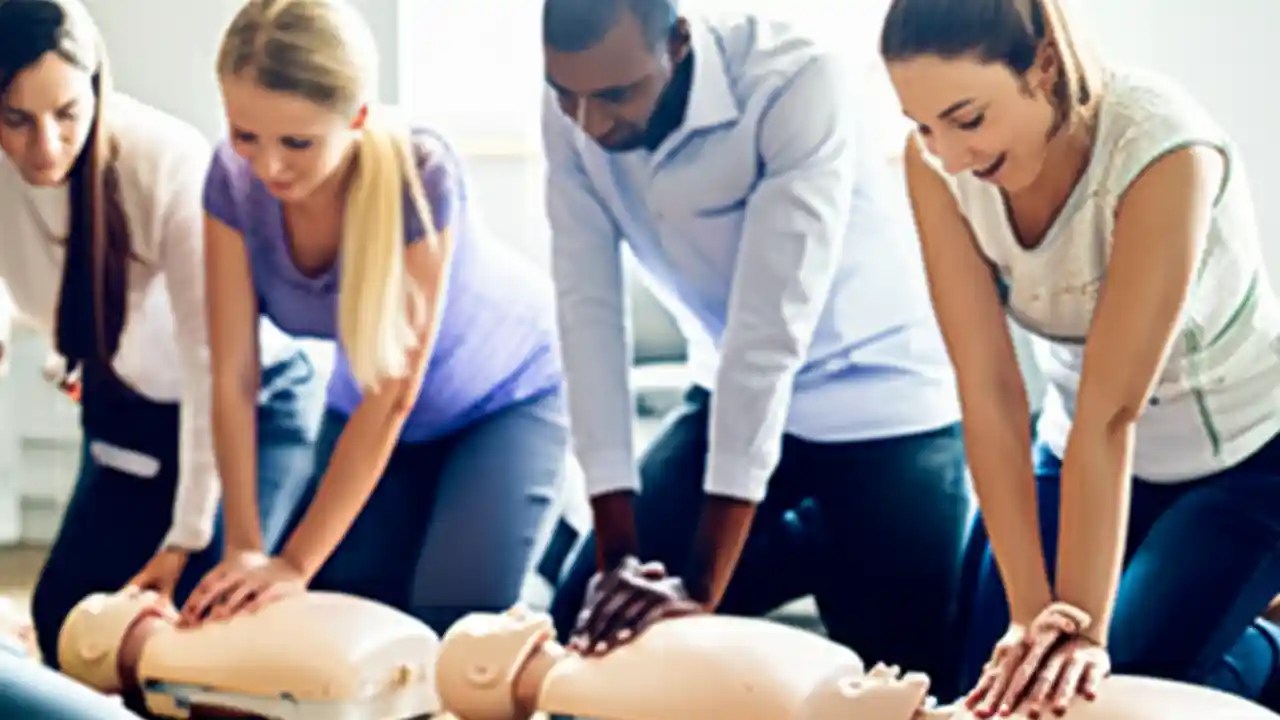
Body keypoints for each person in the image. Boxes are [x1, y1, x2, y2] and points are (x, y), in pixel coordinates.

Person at [540, 0, 972, 697]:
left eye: (617, 96)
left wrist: (703, 590)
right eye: (568, 96)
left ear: (676, 45)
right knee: (584, 625)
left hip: (886, 405)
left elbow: (766, 336)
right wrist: (618, 557)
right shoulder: (578, 101)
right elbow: (587, 316)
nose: (591, 123)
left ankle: (820, 546)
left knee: (900, 684)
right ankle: (810, 543)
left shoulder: (796, 82)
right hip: (726, 394)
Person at [879, 0, 1280, 715]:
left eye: (967, 120)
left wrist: (1084, 634)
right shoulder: (937, 165)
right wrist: (1033, 618)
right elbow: (990, 388)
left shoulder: (1163, 149)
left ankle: (1258, 647)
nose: (948, 154)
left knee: (1104, 694)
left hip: (1245, 457)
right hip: (1072, 446)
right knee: (997, 688)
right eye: (923, 126)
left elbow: (1112, 411)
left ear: (1045, 67)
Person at [179, 0, 568, 636]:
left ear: (356, 118)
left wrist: (294, 562)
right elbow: (233, 375)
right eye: (246, 134)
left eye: (297, 142)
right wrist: (248, 549)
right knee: (340, 609)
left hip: (506, 394)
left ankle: (541, 538)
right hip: (366, 409)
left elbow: (395, 394)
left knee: (450, 624)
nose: (268, 165)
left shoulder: (423, 173)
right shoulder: (230, 179)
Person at [0, 0, 323, 667]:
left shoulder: (166, 162)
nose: (46, 147)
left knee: (200, 630)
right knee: (62, 618)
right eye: (16, 121)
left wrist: (187, 535)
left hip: (249, 410)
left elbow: (216, 366)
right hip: (128, 412)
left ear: (95, 89)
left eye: (66, 115)